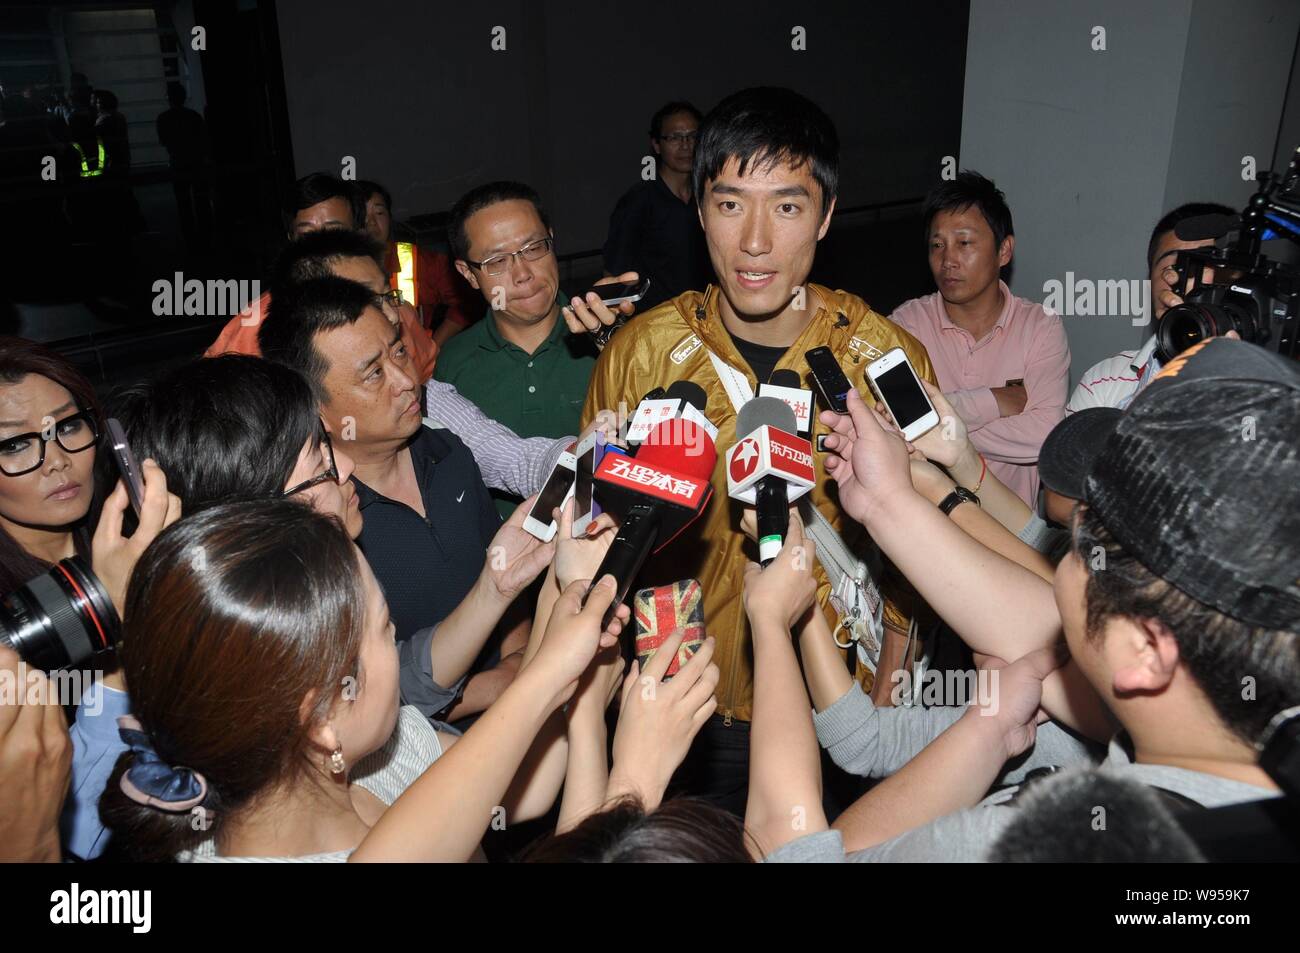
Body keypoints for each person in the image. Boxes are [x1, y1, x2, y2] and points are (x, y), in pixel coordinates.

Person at [780, 336, 1297, 861]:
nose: (1061, 555)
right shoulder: (1217, 728)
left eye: (1088, 545)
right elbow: (1032, 620)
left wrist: (774, 610)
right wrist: (883, 499)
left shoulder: (1046, 841)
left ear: (1145, 651)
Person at [573, 86, 937, 813]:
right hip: (681, 712)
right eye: (731, 204)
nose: (756, 242)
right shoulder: (642, 351)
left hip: (833, 714)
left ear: (828, 215)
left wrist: (890, 697)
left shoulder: (882, 358)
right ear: (699, 208)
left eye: (788, 206)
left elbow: (923, 553)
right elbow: (597, 530)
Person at [98, 497, 628, 862]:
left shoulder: (375, 759)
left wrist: (565, 587)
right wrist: (597, 727)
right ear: (324, 717)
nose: (397, 636)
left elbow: (518, 784)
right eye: (385, 627)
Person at [890, 171, 1070, 506]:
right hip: (927, 524)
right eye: (937, 245)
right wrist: (992, 401)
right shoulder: (907, 324)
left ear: (1004, 251)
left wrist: (938, 426)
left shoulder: (1040, 327)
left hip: (1011, 529)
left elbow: (1045, 435)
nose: (947, 260)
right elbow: (895, 425)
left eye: (964, 243)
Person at [438, 181, 601, 497]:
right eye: (497, 261)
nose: (523, 273)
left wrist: (627, 347)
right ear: (468, 274)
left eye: (533, 247)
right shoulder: (452, 365)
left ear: (551, 241)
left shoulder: (609, 341)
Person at [203, 174, 439, 382]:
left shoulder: (395, 311)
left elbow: (426, 376)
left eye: (332, 231)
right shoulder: (256, 323)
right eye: (307, 234)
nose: (318, 245)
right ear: (290, 239)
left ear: (357, 233)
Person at [1067, 201, 1236, 413]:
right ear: (1151, 282)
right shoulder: (1103, 381)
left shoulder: (1275, 388)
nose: (1190, 285)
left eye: (1213, 268)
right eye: (1175, 268)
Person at [603, 101, 712, 311]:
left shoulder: (708, 197)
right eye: (674, 137)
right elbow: (614, 274)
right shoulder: (639, 201)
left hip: (703, 316)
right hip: (656, 324)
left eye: (693, 136)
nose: (686, 145)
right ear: (656, 145)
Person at [354, 179, 483, 345]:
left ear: (390, 217)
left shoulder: (420, 262)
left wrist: (434, 345)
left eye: (379, 213)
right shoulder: (338, 269)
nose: (370, 223)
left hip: (417, 360)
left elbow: (467, 301)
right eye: (362, 216)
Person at [155, 82, 211, 250]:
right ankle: (206, 234)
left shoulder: (163, 118)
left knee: (183, 202)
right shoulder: (193, 116)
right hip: (196, 162)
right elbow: (203, 139)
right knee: (201, 200)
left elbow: (164, 141)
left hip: (178, 163)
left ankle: (190, 237)